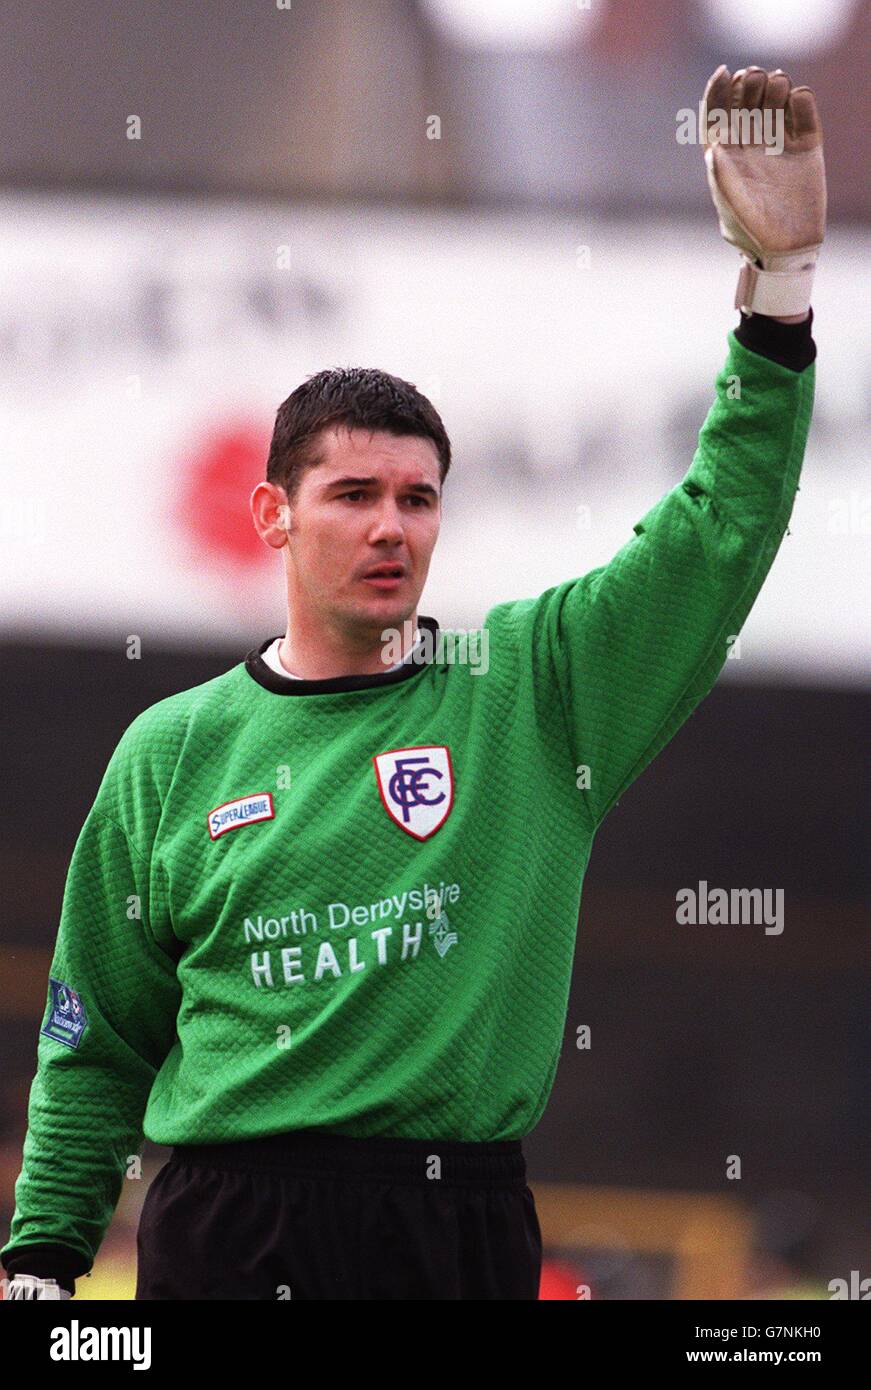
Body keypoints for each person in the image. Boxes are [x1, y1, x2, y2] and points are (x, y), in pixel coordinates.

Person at [2, 65, 826, 1300]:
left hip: (453, 1229)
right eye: (354, 495)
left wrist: (777, 298)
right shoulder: (170, 751)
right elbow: (95, 1044)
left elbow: (717, 535)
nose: (391, 526)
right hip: (226, 1234)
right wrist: (40, 1265)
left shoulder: (530, 690)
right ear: (275, 514)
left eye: (417, 497)